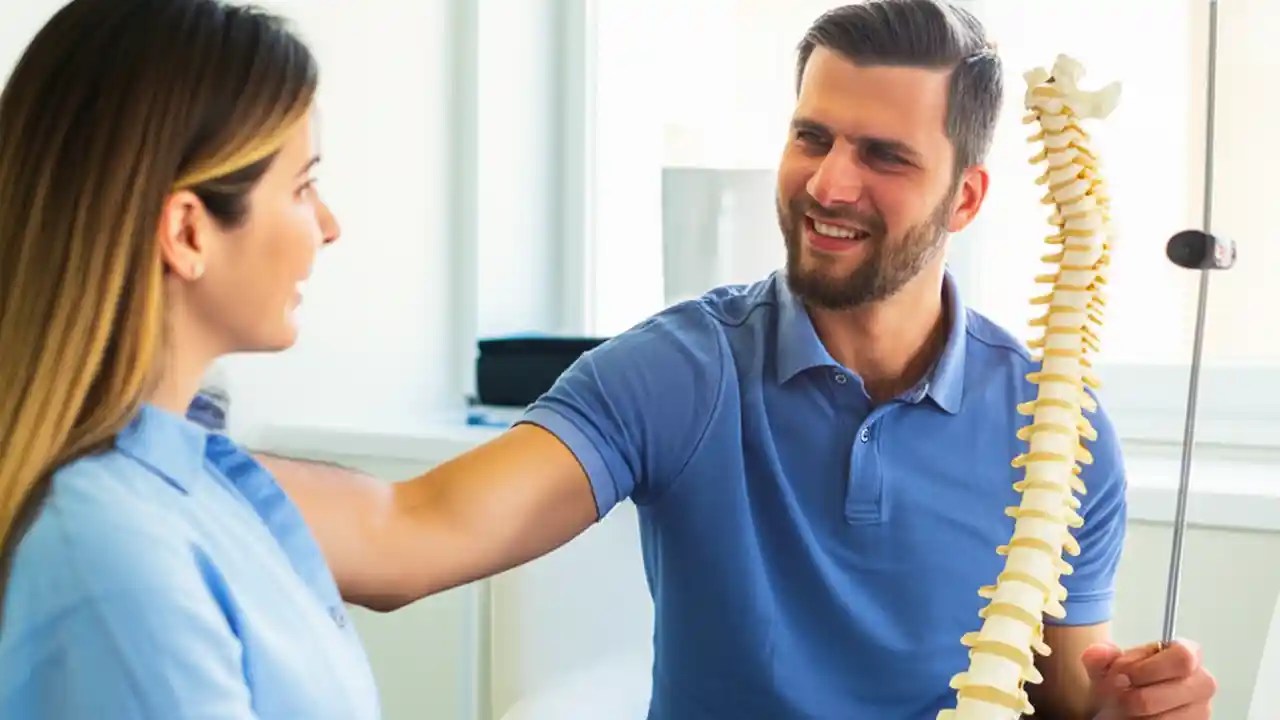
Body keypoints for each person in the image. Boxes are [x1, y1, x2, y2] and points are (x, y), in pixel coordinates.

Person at [252, 2, 1218, 718]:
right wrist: (136, 447)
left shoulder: (1059, 423)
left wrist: (1124, 705)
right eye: (812, 137)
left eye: (884, 155)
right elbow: (408, 534)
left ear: (966, 200)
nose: (830, 182)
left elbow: (1058, 697)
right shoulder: (679, 372)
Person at [0, 1, 377, 717]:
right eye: (302, 187)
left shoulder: (194, 487)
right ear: (187, 232)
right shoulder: (111, 556)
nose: (328, 227)